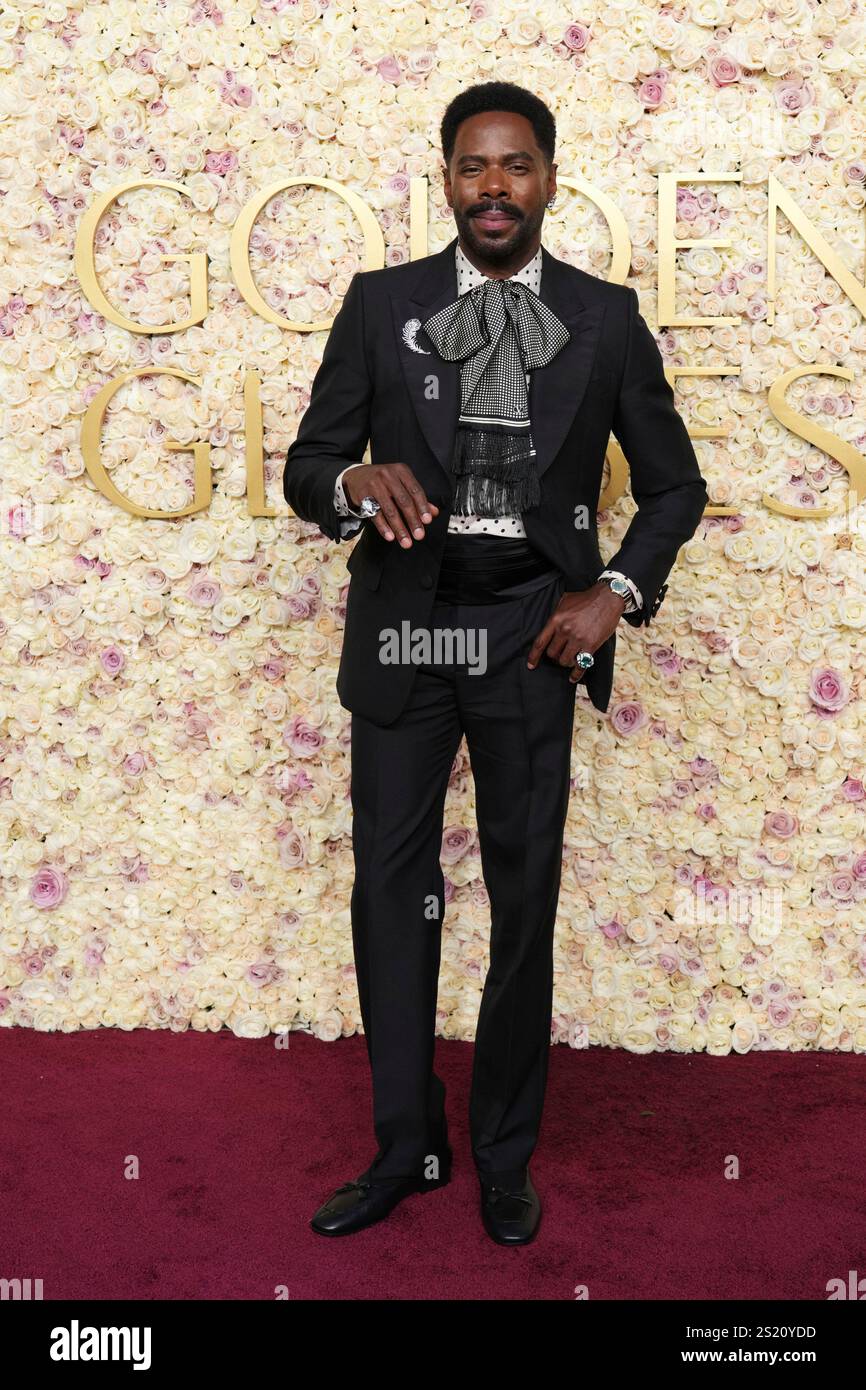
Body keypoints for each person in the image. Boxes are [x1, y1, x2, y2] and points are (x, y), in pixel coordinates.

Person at [283, 81, 707, 1245]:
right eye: (472, 167)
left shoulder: (606, 318)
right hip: (407, 631)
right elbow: (309, 462)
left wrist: (609, 591)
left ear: (549, 180)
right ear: (445, 179)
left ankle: (504, 1156)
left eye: (514, 166)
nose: (492, 187)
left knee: (521, 900)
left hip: (528, 631)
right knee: (390, 891)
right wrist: (350, 483)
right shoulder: (379, 307)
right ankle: (403, 1144)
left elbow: (673, 487)